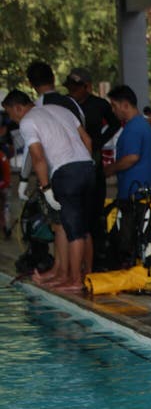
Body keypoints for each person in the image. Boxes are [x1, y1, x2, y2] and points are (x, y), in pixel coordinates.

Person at [3, 90, 95, 293]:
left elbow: (38, 157)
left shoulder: (27, 122)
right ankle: (64, 273)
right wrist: (83, 166)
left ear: (18, 108)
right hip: (87, 167)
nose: (12, 119)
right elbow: (87, 140)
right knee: (70, 225)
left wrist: (45, 188)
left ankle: (75, 280)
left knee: (74, 230)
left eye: (10, 113)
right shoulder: (60, 110)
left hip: (65, 172)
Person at [22, 61, 87, 286]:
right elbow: (83, 136)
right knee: (79, 226)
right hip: (83, 166)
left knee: (65, 227)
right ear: (53, 78)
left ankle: (71, 277)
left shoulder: (37, 109)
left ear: (31, 84)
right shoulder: (70, 103)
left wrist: (28, 180)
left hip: (60, 171)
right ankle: (65, 272)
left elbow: (35, 153)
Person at [64, 68, 121, 269]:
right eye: (70, 88)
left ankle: (97, 257)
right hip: (71, 159)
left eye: (76, 88)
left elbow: (115, 124)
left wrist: (99, 141)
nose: (72, 92)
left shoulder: (99, 104)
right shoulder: (65, 104)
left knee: (95, 209)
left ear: (87, 87)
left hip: (92, 158)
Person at [104, 85, 151, 201]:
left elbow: (131, 158)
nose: (113, 110)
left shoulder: (133, 128)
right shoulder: (143, 124)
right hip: (144, 189)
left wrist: (108, 170)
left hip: (134, 191)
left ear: (125, 105)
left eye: (114, 106)